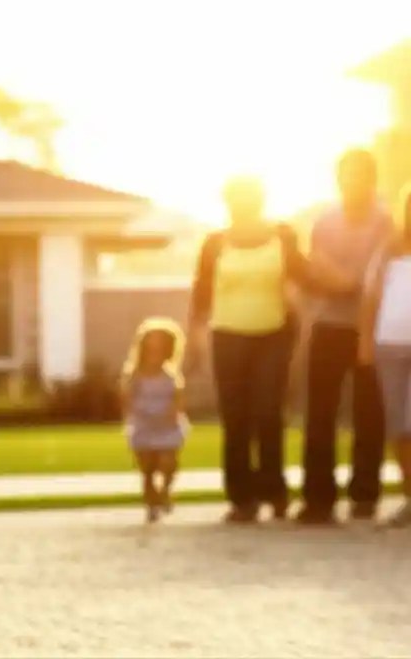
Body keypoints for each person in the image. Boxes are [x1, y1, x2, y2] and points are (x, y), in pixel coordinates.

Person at [189, 176, 354, 523]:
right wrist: (195, 335)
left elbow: (304, 276)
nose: (243, 205)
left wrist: (344, 286)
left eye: (249, 198)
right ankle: (241, 499)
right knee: (236, 419)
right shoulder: (214, 243)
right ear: (228, 203)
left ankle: (274, 492)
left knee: (267, 412)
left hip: (274, 335)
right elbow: (202, 292)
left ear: (260, 201)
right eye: (237, 199)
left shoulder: (281, 236)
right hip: (227, 335)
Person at [298, 148, 395, 525]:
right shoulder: (325, 221)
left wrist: (351, 283)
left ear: (371, 179)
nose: (352, 182)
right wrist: (343, 281)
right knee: (320, 413)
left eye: (359, 175)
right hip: (328, 326)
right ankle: (318, 498)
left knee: (369, 414)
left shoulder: (386, 221)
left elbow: (383, 269)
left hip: (370, 329)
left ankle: (364, 494)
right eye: (346, 175)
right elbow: (316, 265)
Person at [359, 186, 411, 527]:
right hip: (389, 345)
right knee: (398, 427)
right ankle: (410, 496)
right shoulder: (390, 250)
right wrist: (365, 341)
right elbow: (371, 296)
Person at [121, 318, 189, 523]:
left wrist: (172, 413)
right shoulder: (135, 375)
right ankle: (151, 502)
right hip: (143, 423)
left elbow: (178, 398)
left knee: (169, 462)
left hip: (166, 423)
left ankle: (166, 490)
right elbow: (126, 397)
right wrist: (133, 413)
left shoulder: (170, 376)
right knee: (147, 467)